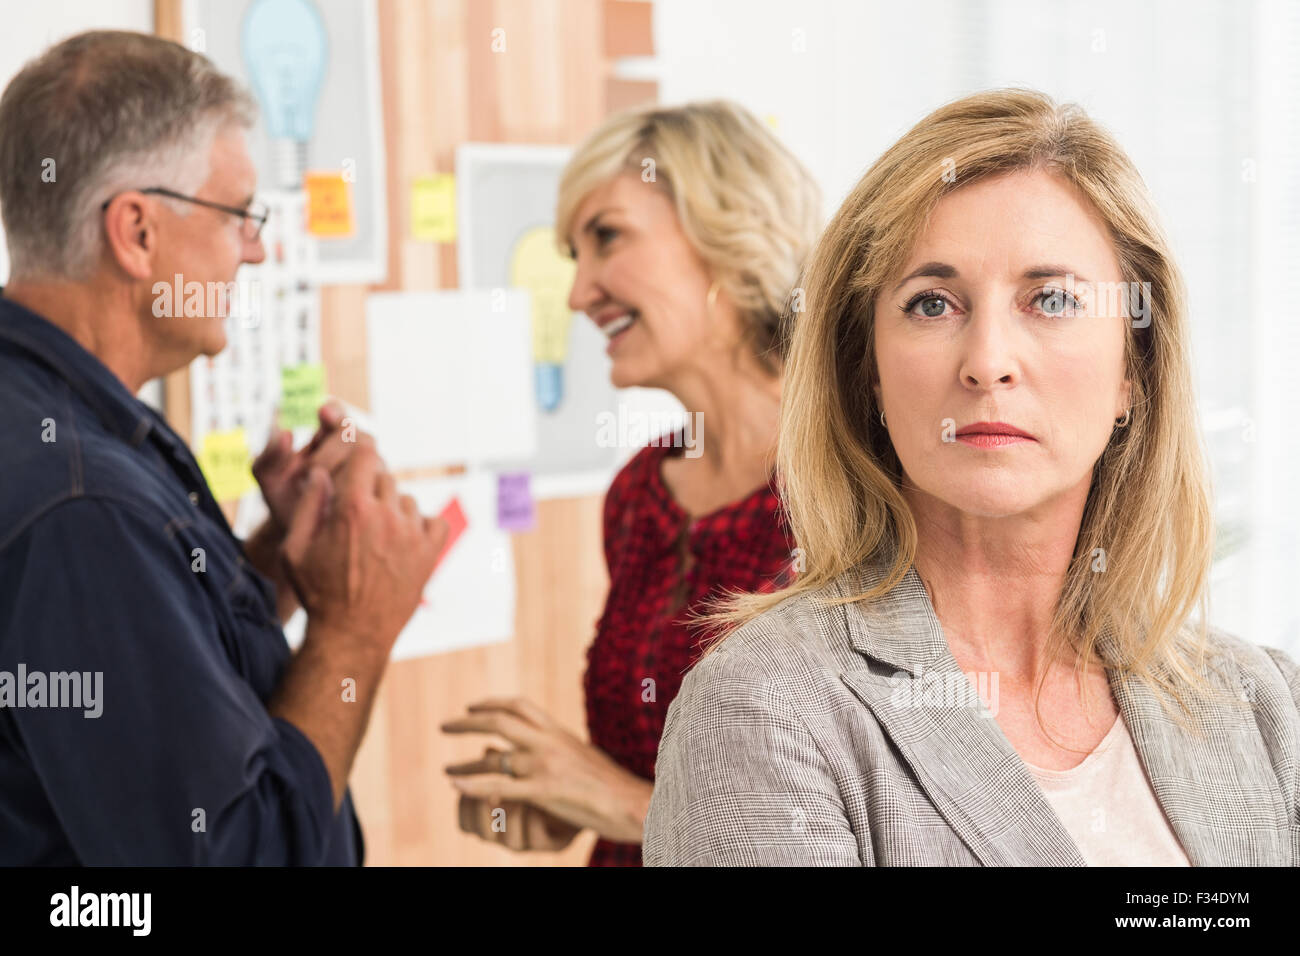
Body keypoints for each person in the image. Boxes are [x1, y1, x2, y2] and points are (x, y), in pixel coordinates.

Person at [643, 88, 1300, 866]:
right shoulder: (764, 708)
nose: (988, 361)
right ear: (871, 377)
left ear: (1135, 372)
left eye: (1051, 299)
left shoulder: (1266, 706)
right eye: (931, 304)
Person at [0, 30, 447, 864]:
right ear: (136, 232)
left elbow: (137, 672)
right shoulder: (83, 503)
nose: (257, 246)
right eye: (238, 213)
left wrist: (272, 562)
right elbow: (240, 853)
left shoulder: (63, 423)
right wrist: (355, 627)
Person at [441, 101, 822, 865]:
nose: (578, 293)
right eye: (571, 255)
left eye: (606, 238)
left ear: (726, 230)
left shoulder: (859, 485)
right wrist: (558, 805)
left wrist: (618, 804)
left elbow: (872, 825)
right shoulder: (640, 495)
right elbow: (646, 782)